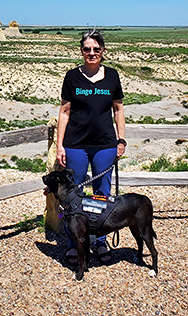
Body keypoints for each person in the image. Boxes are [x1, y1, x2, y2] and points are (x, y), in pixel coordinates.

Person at [56, 30, 126, 264]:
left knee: (102, 194)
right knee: (73, 194)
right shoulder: (72, 77)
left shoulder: (112, 76)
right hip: (75, 144)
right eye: (87, 49)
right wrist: (59, 146)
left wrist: (121, 140)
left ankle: (99, 240)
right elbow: (64, 112)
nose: (92, 53)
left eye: (96, 49)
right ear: (81, 51)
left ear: (103, 51)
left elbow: (118, 110)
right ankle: (74, 242)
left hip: (105, 144)